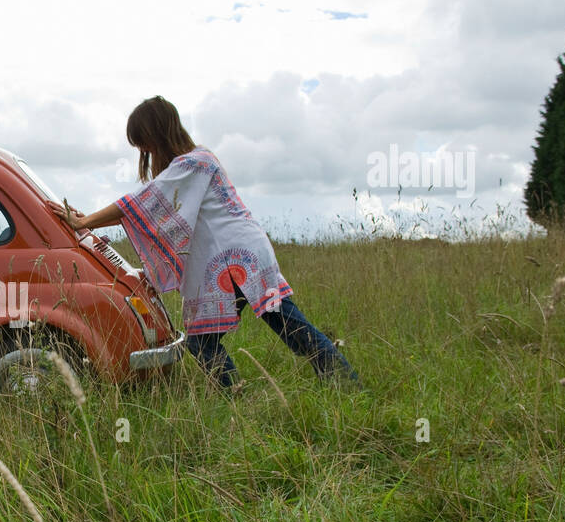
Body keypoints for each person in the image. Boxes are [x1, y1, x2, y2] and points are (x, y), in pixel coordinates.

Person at [46, 95, 357, 390]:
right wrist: (88, 219)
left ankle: (251, 392)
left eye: (145, 142)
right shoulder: (194, 162)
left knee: (215, 338)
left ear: (157, 133)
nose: (144, 151)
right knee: (285, 325)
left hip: (236, 259)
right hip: (244, 254)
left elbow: (142, 203)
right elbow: (150, 205)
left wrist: (85, 223)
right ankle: (339, 383)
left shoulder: (195, 163)